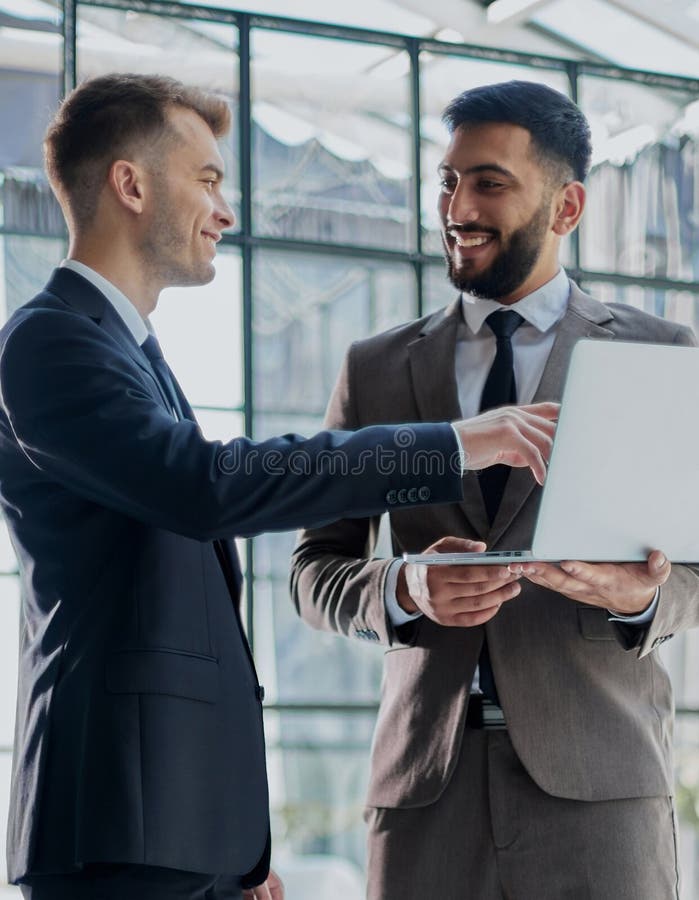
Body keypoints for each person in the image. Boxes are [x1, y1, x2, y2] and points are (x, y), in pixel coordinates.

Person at [0, 74, 558, 900]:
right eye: (207, 180)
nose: (224, 212)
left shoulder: (126, 351)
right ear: (130, 185)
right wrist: (450, 444)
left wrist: (230, 848)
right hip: (113, 824)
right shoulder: (52, 342)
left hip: (166, 825)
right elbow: (205, 485)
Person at [291, 80, 699, 900]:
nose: (456, 208)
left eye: (488, 183)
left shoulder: (661, 355)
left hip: (601, 793)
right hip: (424, 792)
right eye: (446, 181)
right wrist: (405, 587)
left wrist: (639, 599)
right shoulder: (376, 369)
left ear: (565, 206)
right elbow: (314, 572)